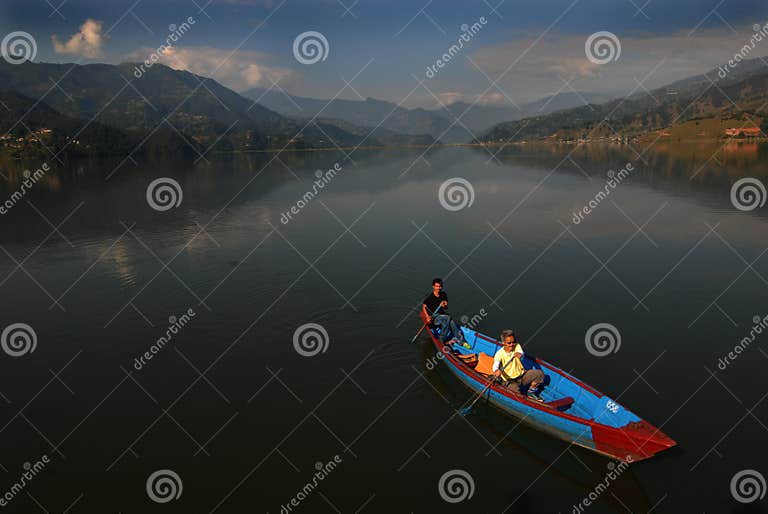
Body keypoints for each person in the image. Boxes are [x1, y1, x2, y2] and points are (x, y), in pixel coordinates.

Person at [493, 329, 545, 401]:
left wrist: (521, 355)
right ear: (503, 343)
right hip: (510, 381)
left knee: (539, 374)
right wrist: (496, 370)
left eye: (513, 342)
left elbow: (521, 352)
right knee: (517, 396)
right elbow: (495, 365)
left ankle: (531, 392)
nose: (512, 344)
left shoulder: (517, 346)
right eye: (509, 343)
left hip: (522, 376)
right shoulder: (499, 354)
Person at [421, 278, 469, 348]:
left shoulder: (443, 294)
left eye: (440, 286)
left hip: (443, 316)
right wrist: (427, 316)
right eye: (437, 286)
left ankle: (462, 341)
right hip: (434, 317)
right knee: (448, 318)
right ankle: (442, 338)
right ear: (433, 287)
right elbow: (424, 306)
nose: (439, 288)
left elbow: (446, 307)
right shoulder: (429, 297)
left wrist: (444, 305)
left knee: (451, 322)